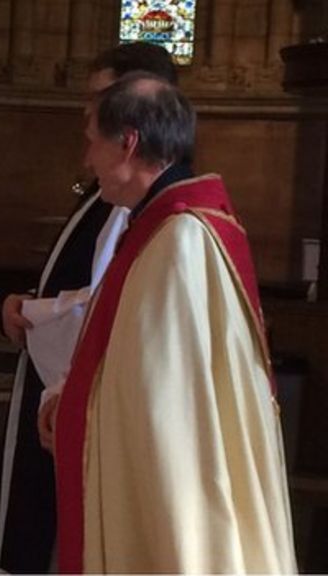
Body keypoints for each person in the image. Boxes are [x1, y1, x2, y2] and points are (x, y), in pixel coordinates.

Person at [50, 72, 295, 572]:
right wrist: (72, 397)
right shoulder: (168, 225)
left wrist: (78, 406)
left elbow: (166, 411)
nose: (86, 158)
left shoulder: (178, 239)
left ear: (128, 143)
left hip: (180, 493)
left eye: (91, 142)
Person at [0, 42, 177, 573]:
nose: (88, 115)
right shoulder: (120, 195)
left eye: (103, 99)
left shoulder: (150, 209)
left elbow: (106, 313)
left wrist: (31, 314)